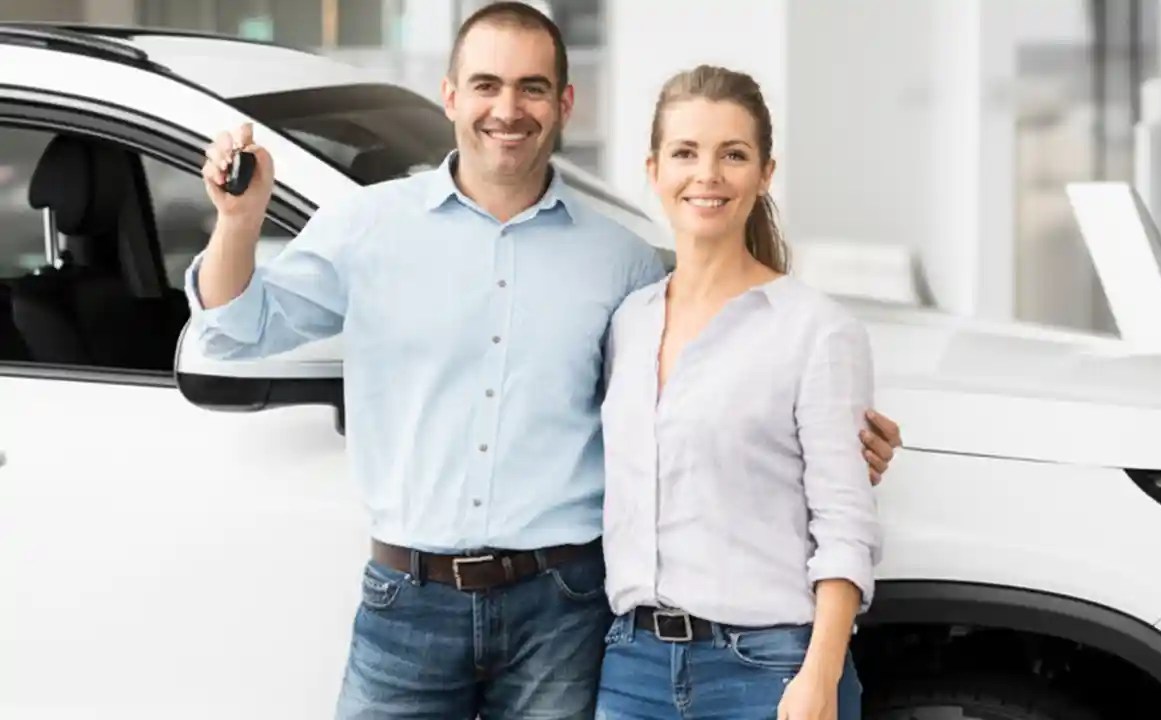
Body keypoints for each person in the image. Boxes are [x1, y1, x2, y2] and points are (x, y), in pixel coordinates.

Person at [188, 4, 901, 718]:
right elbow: (235, 330)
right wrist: (239, 223)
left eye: (531, 87)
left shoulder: (620, 264)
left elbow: (702, 389)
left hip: (563, 609)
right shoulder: (368, 226)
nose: (507, 108)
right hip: (408, 599)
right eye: (487, 84)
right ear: (451, 95)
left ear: (564, 102)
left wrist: (835, 442)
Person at [595, 65, 879, 720]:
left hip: (768, 667)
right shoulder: (628, 322)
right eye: (686, 153)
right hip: (630, 666)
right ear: (654, 168)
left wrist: (819, 676)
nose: (708, 175)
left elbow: (845, 523)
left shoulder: (816, 329)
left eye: (734, 155)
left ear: (765, 172)